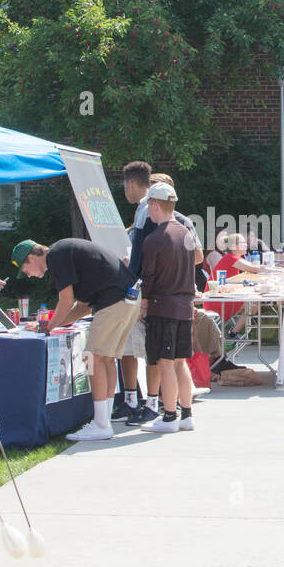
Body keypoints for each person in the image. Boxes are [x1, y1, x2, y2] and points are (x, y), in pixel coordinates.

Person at [14, 235, 141, 441]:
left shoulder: (56, 256)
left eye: (25, 269)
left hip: (115, 300)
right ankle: (104, 421)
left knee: (92, 357)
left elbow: (66, 302)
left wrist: (46, 327)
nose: (28, 275)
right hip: (129, 298)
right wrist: (52, 324)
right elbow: (82, 308)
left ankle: (101, 425)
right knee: (105, 359)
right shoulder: (65, 252)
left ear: (31, 257)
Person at [139, 182, 197, 432]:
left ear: (154, 205)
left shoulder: (154, 238)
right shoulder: (186, 233)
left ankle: (170, 416)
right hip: (185, 305)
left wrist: (143, 303)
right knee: (180, 362)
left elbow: (149, 277)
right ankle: (186, 414)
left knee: (164, 362)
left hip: (163, 306)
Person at [116, 160, 153, 424]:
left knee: (149, 351)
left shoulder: (147, 209)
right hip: (138, 289)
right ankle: (132, 400)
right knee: (128, 346)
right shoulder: (144, 209)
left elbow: (145, 255)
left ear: (130, 183)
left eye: (124, 185)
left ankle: (153, 403)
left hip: (143, 290)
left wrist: (142, 293)